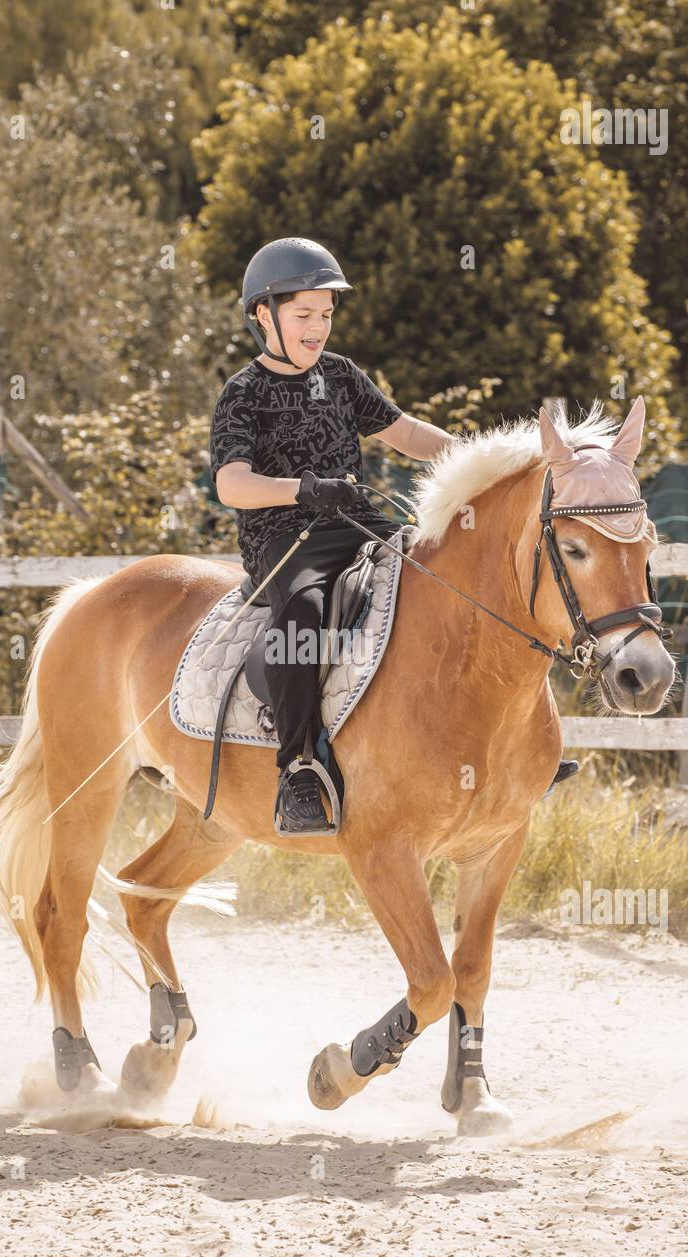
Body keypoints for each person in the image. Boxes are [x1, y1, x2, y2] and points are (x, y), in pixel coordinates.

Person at [209, 238, 577, 833]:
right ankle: (299, 767)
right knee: (302, 615)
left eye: (326, 314)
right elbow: (233, 485)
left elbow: (405, 433)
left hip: (359, 524)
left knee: (450, 583)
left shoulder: (342, 376)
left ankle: (511, 748)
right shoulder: (242, 394)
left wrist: (485, 459)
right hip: (285, 541)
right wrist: (303, 489)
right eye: (304, 314)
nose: (318, 327)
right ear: (263, 315)